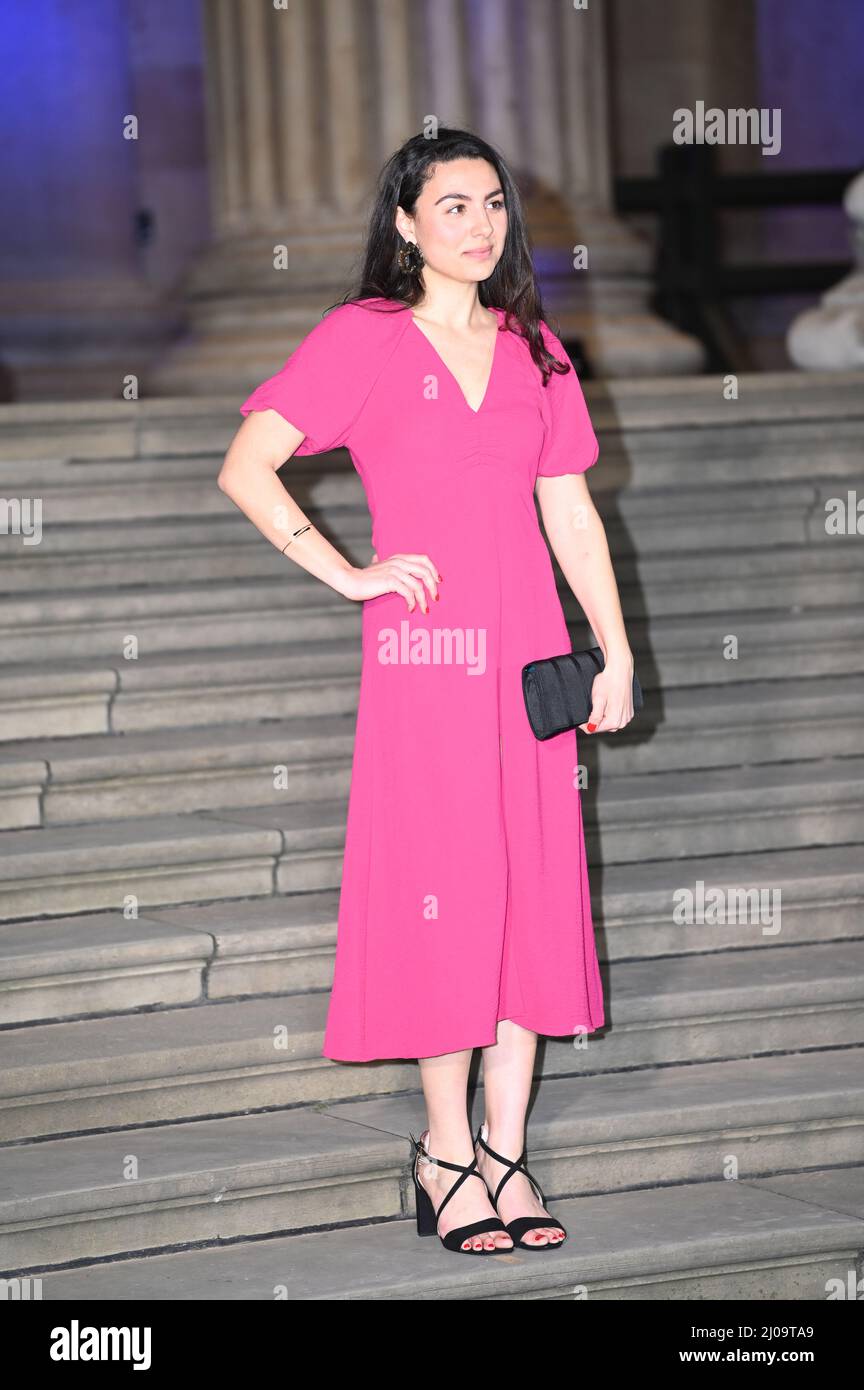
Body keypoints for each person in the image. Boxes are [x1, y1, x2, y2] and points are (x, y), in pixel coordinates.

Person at [218, 128, 636, 1257]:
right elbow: (248, 464)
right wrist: (349, 570)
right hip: (425, 663)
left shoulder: (537, 346)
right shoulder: (363, 339)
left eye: (493, 203)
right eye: (452, 205)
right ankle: (444, 1152)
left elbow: (571, 512)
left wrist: (616, 646)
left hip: (532, 658)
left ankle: (507, 1152)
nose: (480, 224)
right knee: (445, 892)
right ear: (405, 223)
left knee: (529, 891)